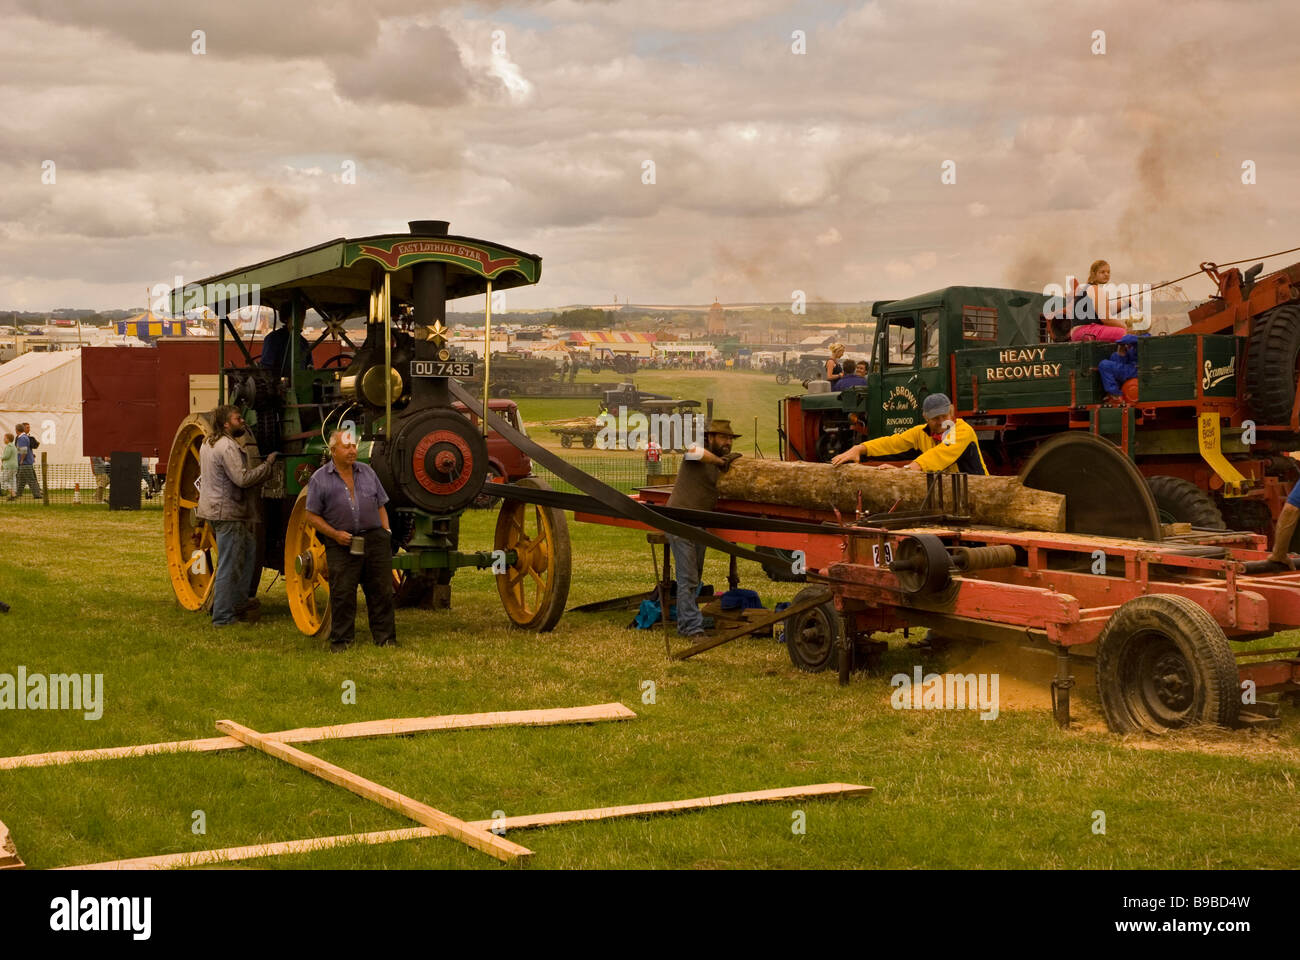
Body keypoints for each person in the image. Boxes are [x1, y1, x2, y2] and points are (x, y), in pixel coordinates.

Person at [305, 429, 396, 652]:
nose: (353, 450)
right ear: (333, 451)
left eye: (354, 446)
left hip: (375, 539)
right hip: (341, 541)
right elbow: (311, 515)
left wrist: (386, 532)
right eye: (347, 447)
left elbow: (381, 503)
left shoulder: (367, 472)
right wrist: (335, 534)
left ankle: (385, 639)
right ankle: (342, 641)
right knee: (343, 592)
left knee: (381, 590)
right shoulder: (319, 478)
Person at [197, 405, 277, 627]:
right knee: (229, 563)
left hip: (217, 510)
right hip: (227, 512)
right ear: (225, 424)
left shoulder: (208, 443)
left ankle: (239, 603)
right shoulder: (227, 447)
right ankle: (223, 617)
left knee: (249, 549)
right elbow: (242, 480)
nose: (242, 421)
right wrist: (267, 465)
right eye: (237, 418)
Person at [665, 419, 742, 638]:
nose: (727, 442)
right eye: (723, 437)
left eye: (730, 439)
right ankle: (691, 628)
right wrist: (719, 461)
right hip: (679, 520)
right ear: (710, 438)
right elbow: (693, 451)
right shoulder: (698, 452)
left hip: (698, 521)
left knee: (694, 576)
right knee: (688, 577)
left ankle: (686, 620)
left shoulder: (721, 461)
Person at [830, 393, 988, 474]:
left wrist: (905, 471)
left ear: (952, 412)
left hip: (979, 491)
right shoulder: (920, 433)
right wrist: (859, 448)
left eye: (944, 416)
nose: (941, 421)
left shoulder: (962, 430)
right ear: (926, 417)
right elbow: (893, 442)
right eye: (935, 418)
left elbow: (938, 455)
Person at [1069, 260, 1134, 342]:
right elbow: (1106, 319)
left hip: (1079, 333)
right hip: (1086, 331)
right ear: (1093, 273)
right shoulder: (1095, 289)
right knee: (1129, 335)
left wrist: (1128, 302)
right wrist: (1126, 327)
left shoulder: (1088, 288)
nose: (1106, 274)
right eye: (1102, 272)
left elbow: (1107, 310)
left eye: (1108, 272)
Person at [1098, 334, 1141, 402]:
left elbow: (1129, 339)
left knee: (1104, 365)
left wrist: (1121, 342)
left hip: (1136, 370)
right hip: (1131, 368)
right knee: (1114, 356)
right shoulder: (1132, 346)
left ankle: (1115, 394)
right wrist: (1122, 349)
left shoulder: (1143, 337)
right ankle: (1115, 391)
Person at [13, 423, 42, 500]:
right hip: (26, 462)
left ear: (16, 430)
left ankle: (37, 495)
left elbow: (23, 450)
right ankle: (17, 494)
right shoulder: (24, 437)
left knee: (31, 480)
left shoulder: (22, 438)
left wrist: (21, 460)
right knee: (20, 479)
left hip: (25, 463)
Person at [1, 433, 16, 499]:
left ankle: (13, 493)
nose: (3, 439)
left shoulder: (9, 446)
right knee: (11, 480)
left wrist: (1, 457)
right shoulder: (13, 446)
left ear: (8, 439)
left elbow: (6, 456)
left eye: (5, 438)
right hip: (14, 466)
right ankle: (13, 494)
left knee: (2, 480)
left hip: (9, 466)